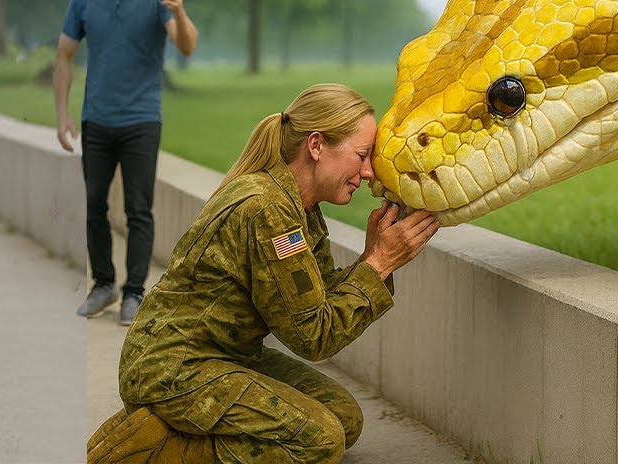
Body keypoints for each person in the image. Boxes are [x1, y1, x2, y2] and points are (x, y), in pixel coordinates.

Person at [87, 83, 441, 464]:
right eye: (361, 155)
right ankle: (148, 450)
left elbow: (314, 299)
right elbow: (312, 337)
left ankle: (167, 427)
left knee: (344, 418)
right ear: (317, 145)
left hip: (226, 355)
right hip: (175, 367)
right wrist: (379, 264)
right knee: (319, 440)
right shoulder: (267, 209)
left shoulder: (296, 203)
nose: (369, 172)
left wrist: (372, 257)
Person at [55, 0, 199, 325]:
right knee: (94, 206)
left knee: (139, 209)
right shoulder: (84, 0)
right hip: (96, 120)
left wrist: (180, 11)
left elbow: (186, 45)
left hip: (141, 120)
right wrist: (63, 114)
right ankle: (103, 285)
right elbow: (63, 57)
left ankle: (134, 292)